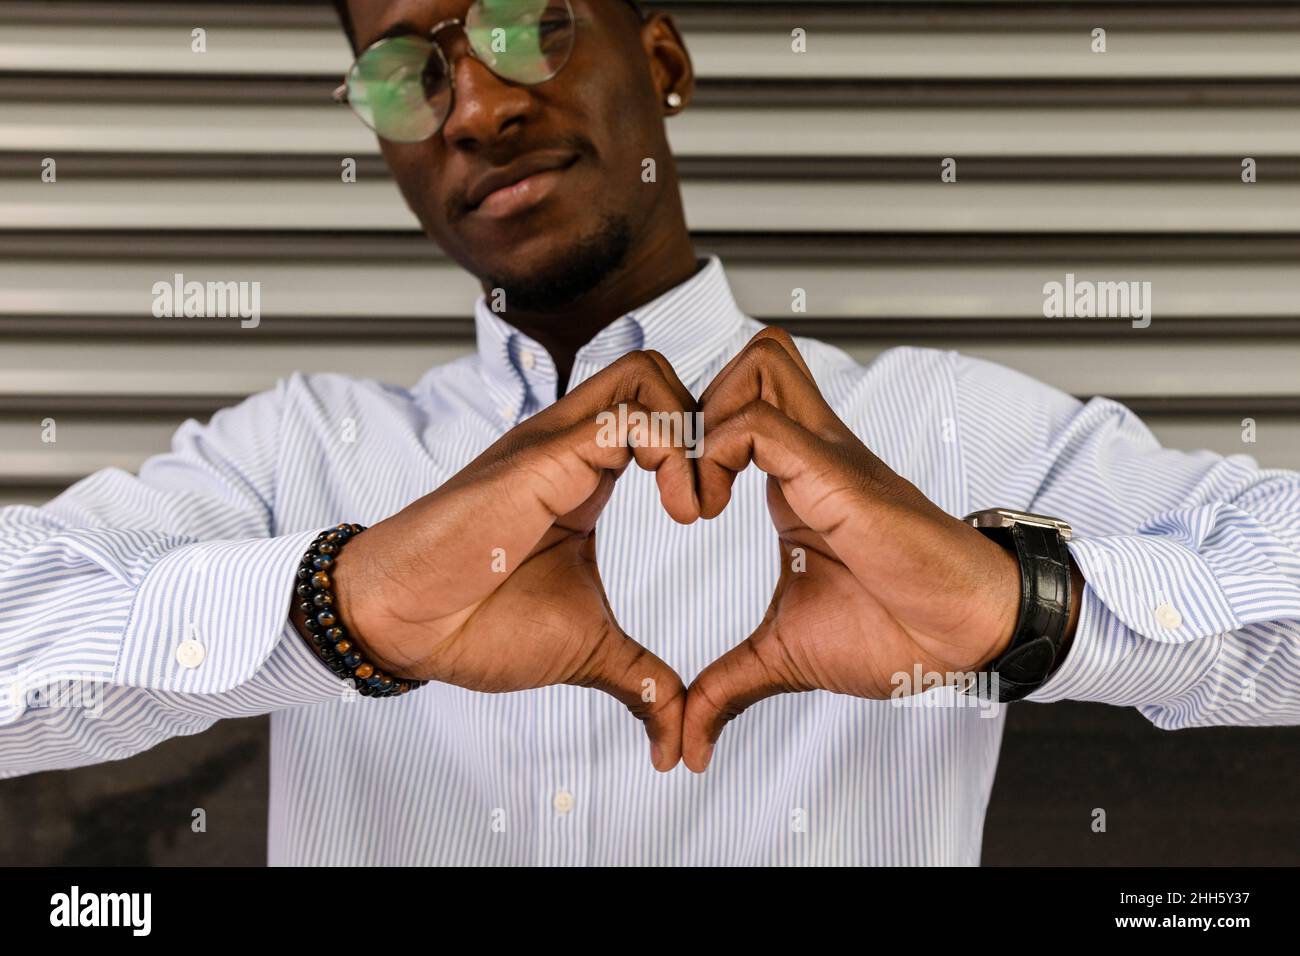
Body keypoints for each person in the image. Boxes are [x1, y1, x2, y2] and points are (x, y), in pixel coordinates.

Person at [1, 0, 1296, 866]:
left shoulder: (941, 434)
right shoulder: (298, 457)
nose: (477, 108)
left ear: (664, 64)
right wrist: (342, 606)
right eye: (410, 72)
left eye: (531, 23)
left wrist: (1032, 606)